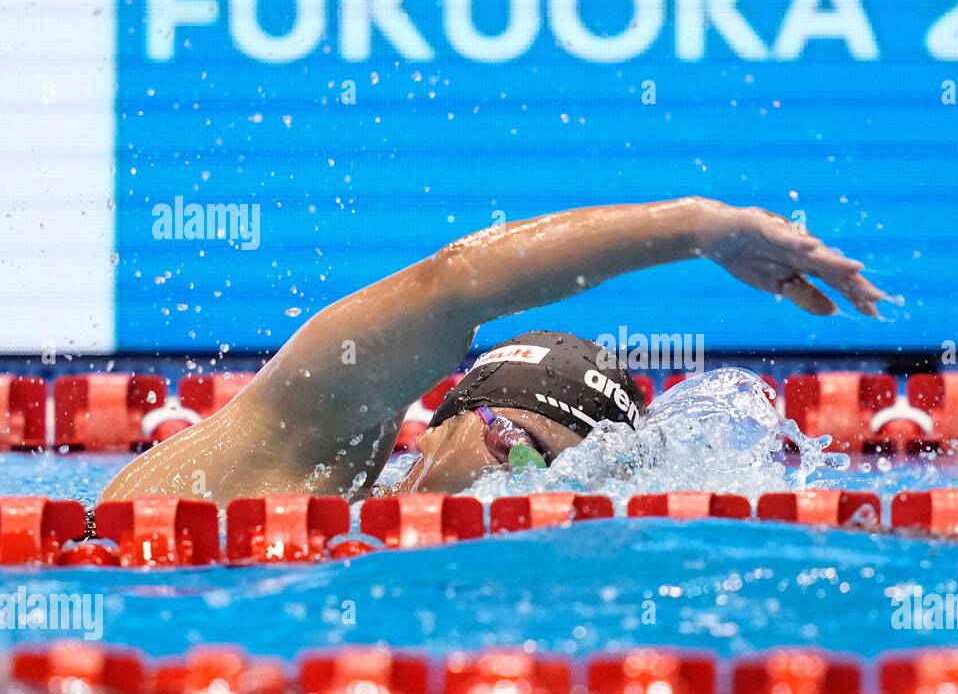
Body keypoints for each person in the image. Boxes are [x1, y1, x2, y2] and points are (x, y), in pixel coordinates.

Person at [101, 198, 890, 506]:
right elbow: (454, 286)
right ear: (436, 423)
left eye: (561, 483)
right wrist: (695, 229)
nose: (524, 494)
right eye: (519, 452)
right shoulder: (294, 460)